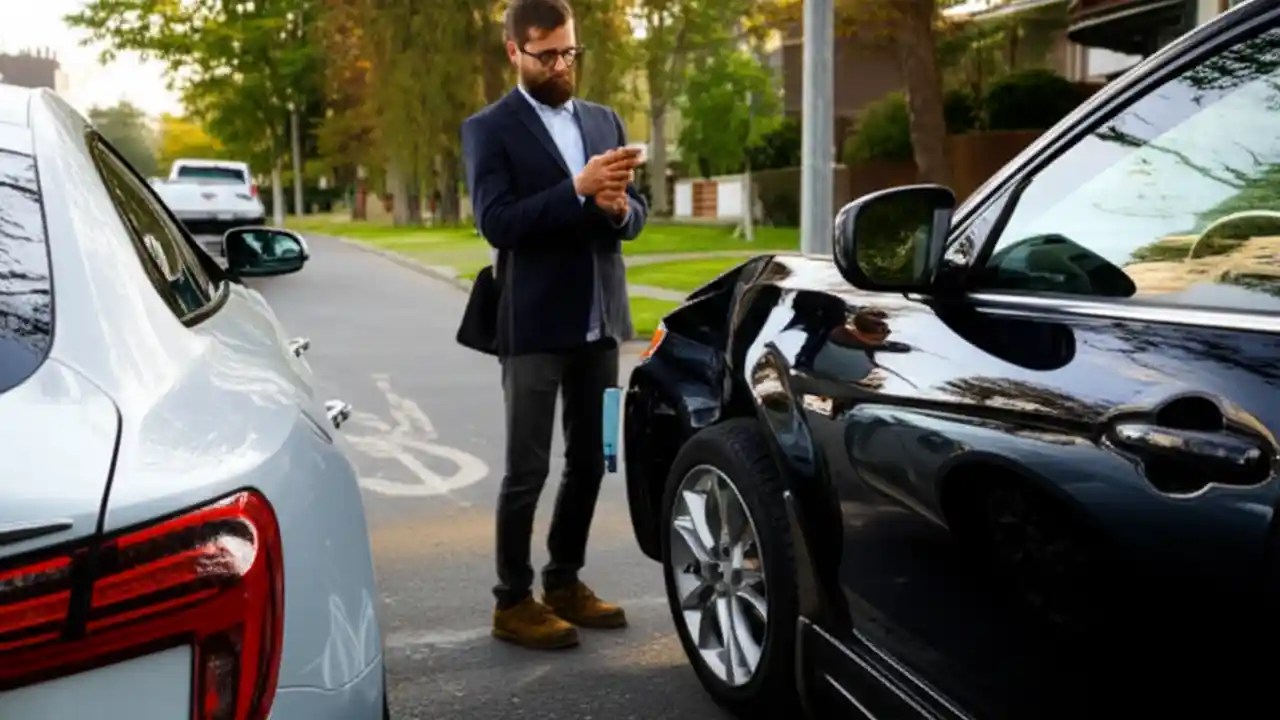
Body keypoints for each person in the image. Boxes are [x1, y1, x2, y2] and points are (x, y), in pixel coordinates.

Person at [459, 0, 648, 650]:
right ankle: (512, 601)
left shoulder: (603, 119)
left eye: (569, 52)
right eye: (547, 55)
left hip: (601, 323)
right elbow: (497, 223)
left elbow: (634, 212)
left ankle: (564, 581)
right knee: (528, 470)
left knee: (593, 461)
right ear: (515, 51)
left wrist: (619, 209)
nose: (562, 65)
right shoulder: (490, 129)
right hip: (534, 326)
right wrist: (577, 188)